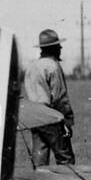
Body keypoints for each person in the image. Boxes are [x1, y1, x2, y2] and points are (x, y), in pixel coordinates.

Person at [23, 28, 76, 165]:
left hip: (34, 118)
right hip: (52, 119)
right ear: (53, 48)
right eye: (58, 46)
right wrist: (67, 121)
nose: (60, 48)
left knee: (39, 160)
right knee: (65, 159)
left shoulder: (32, 67)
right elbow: (59, 97)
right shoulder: (53, 67)